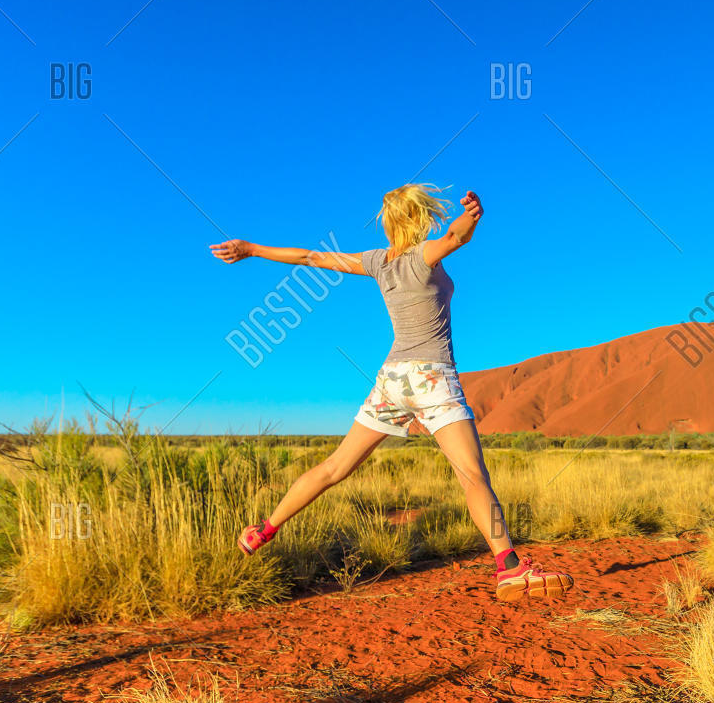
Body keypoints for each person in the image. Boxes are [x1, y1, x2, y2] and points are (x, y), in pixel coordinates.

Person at [209, 185, 573, 603]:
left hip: (392, 378)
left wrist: (252, 248)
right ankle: (509, 568)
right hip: (432, 378)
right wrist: (473, 216)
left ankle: (264, 529)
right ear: (421, 217)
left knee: (334, 467)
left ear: (389, 222)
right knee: (472, 476)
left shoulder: (378, 262)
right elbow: (457, 238)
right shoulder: (424, 255)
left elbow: (311, 257)